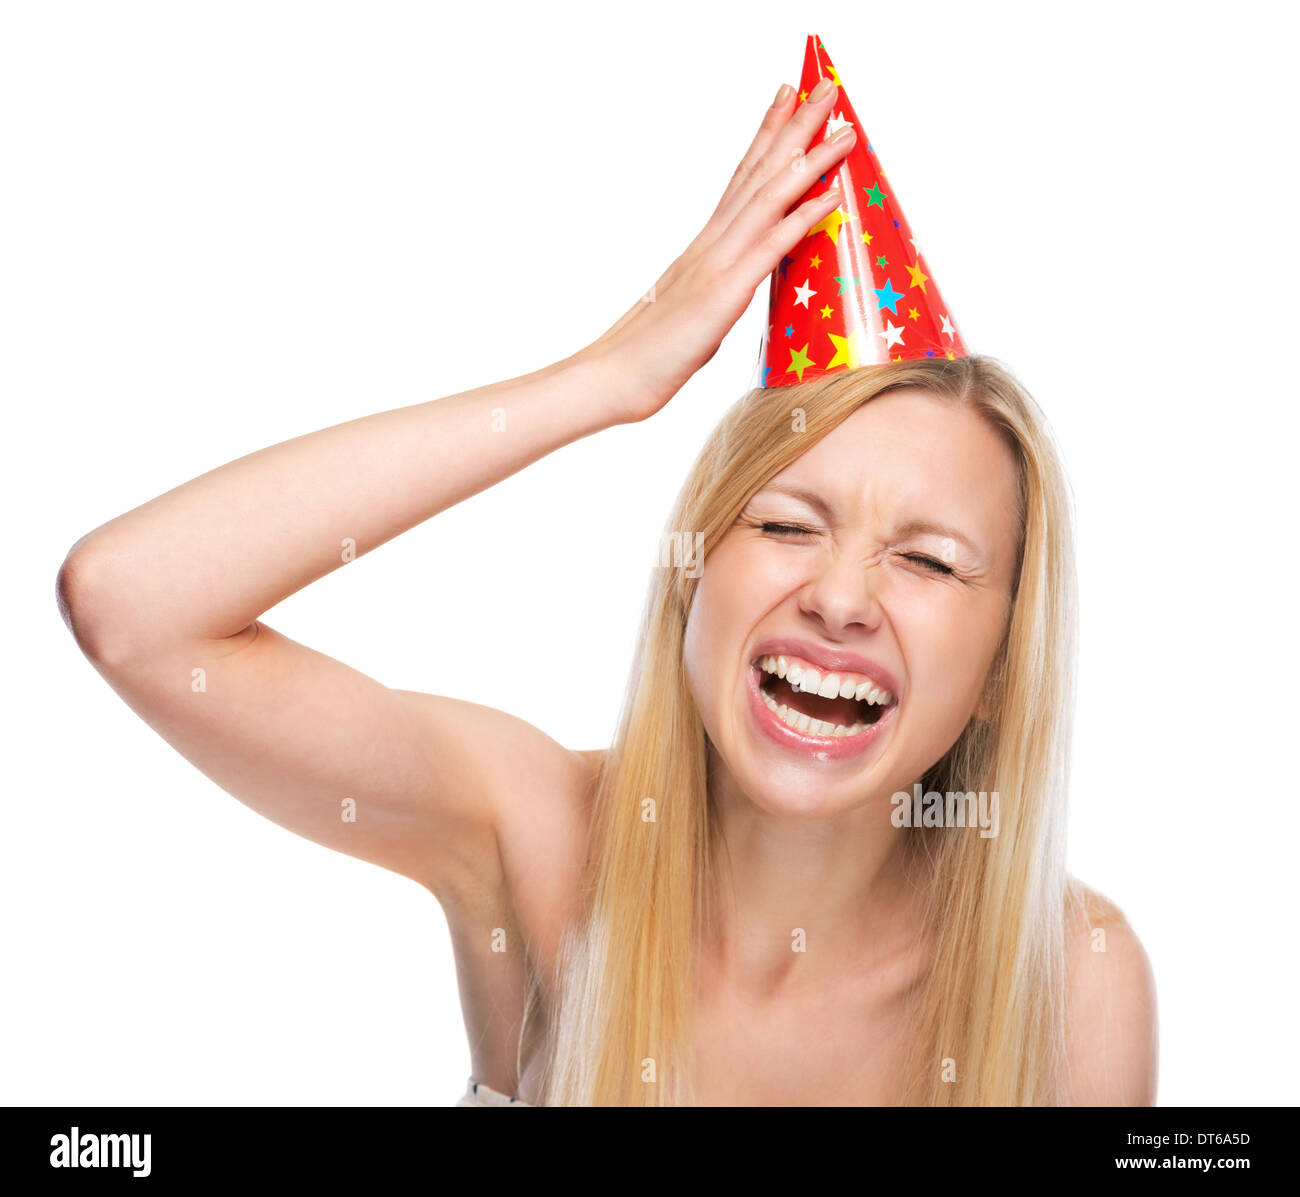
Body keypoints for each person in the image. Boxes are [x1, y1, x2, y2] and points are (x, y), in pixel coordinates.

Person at [56, 67, 1157, 1107]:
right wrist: (603, 379)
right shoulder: (532, 835)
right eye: (782, 523)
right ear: (692, 581)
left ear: (1003, 670)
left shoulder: (1073, 984)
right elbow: (133, 605)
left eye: (925, 560)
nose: (840, 596)